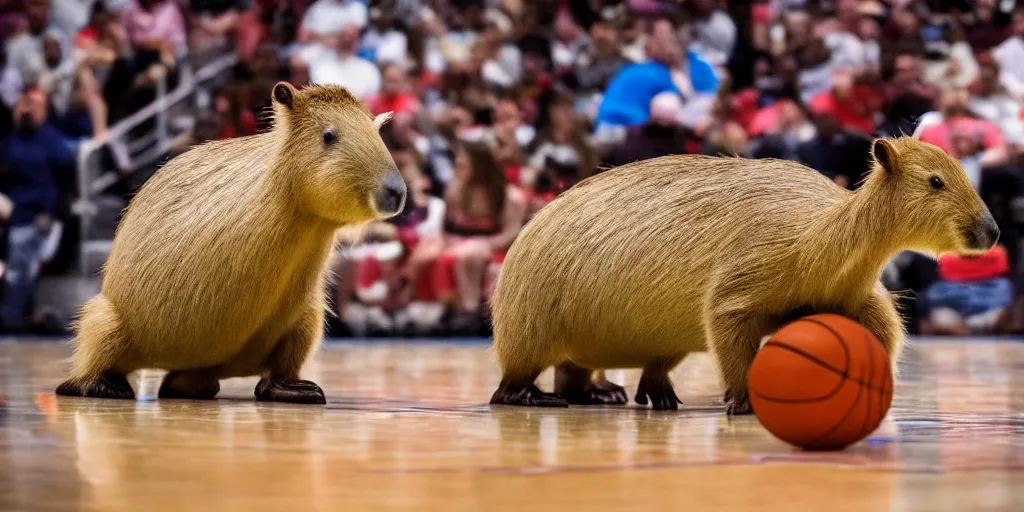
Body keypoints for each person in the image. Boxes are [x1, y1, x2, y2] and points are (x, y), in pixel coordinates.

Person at [403, 142, 526, 330]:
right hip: (459, 242)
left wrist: (482, 243)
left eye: (462, 166)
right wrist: (449, 242)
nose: (456, 170)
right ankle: (410, 303)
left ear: (479, 167)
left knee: (468, 254)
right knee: (426, 255)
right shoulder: (455, 192)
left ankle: (473, 310)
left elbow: (511, 234)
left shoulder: (510, 197)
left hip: (494, 247)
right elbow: (447, 228)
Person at [0, 90, 74, 331]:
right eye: (26, 104)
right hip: (16, 217)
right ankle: (16, 319)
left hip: (44, 218)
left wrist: (53, 215)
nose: (30, 110)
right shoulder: (11, 141)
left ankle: (14, 319)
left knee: (24, 271)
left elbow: (66, 183)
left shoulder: (52, 141)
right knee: (16, 272)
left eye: (36, 105)